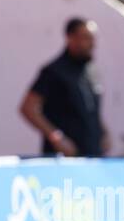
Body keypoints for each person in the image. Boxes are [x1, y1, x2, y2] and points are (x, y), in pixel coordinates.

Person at [19, 18, 110, 158]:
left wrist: (104, 131)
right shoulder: (54, 71)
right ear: (70, 38)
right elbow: (28, 108)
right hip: (64, 161)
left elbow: (89, 109)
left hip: (92, 155)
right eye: (86, 38)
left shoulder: (90, 70)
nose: (92, 44)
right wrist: (56, 137)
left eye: (92, 38)